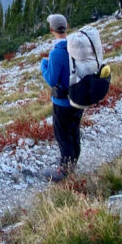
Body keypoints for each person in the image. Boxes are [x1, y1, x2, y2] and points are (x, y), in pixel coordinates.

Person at [40, 13, 84, 182]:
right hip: (78, 98)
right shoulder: (76, 46)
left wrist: (44, 65)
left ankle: (64, 172)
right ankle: (73, 164)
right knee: (74, 131)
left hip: (62, 102)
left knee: (62, 135)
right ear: (66, 27)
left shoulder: (56, 53)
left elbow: (51, 79)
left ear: (51, 29)